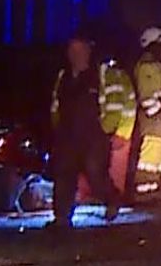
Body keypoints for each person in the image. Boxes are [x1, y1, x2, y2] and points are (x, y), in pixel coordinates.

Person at [49, 37, 124, 227]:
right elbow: (56, 105)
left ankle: (112, 199)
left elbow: (115, 103)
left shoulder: (100, 74)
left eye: (80, 51)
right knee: (64, 175)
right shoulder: (64, 76)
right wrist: (58, 128)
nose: (76, 56)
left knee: (95, 173)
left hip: (93, 136)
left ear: (88, 52)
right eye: (72, 51)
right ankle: (62, 218)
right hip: (68, 136)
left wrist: (108, 129)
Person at [126, 27, 161, 201]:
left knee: (159, 158)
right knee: (150, 157)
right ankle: (142, 191)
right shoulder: (147, 67)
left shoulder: (158, 67)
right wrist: (159, 111)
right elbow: (148, 98)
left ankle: (151, 189)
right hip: (154, 121)